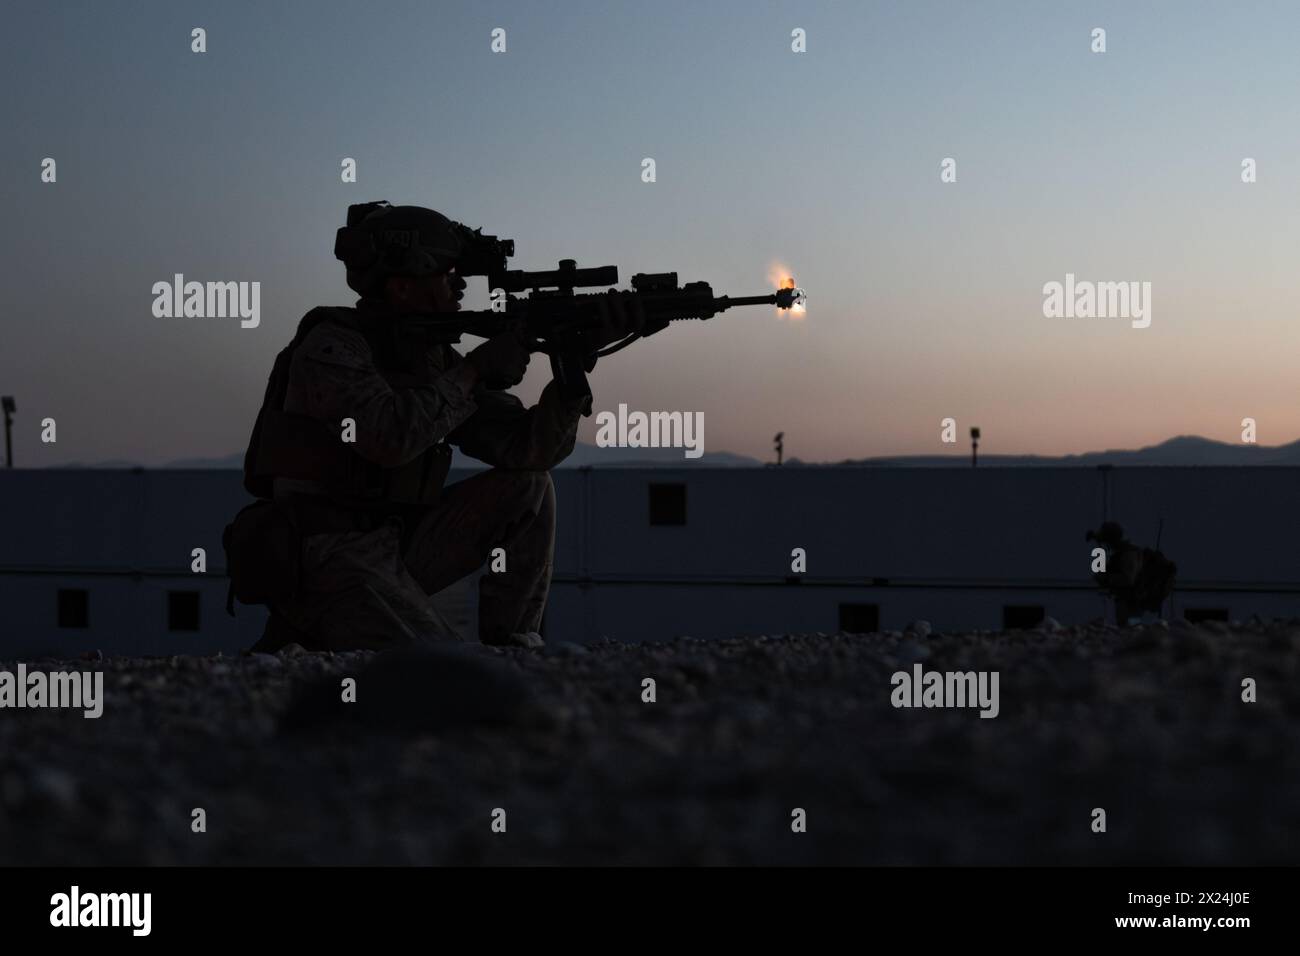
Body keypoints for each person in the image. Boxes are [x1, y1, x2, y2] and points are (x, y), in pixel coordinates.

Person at [230, 202, 642, 652]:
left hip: (396, 539)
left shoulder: (430, 357)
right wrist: (473, 372)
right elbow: (385, 438)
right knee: (442, 670)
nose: (461, 285)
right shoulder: (332, 345)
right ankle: (313, 630)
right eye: (448, 273)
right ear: (402, 287)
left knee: (529, 486)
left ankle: (515, 646)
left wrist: (571, 366)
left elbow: (526, 450)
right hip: (327, 549)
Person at [1086, 521, 1177, 625]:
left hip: (1132, 604)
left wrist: (1106, 578)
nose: (1105, 545)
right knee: (1126, 629)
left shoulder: (1128, 554)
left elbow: (1128, 579)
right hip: (1128, 603)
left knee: (1130, 630)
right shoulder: (1120, 553)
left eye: (1106, 541)